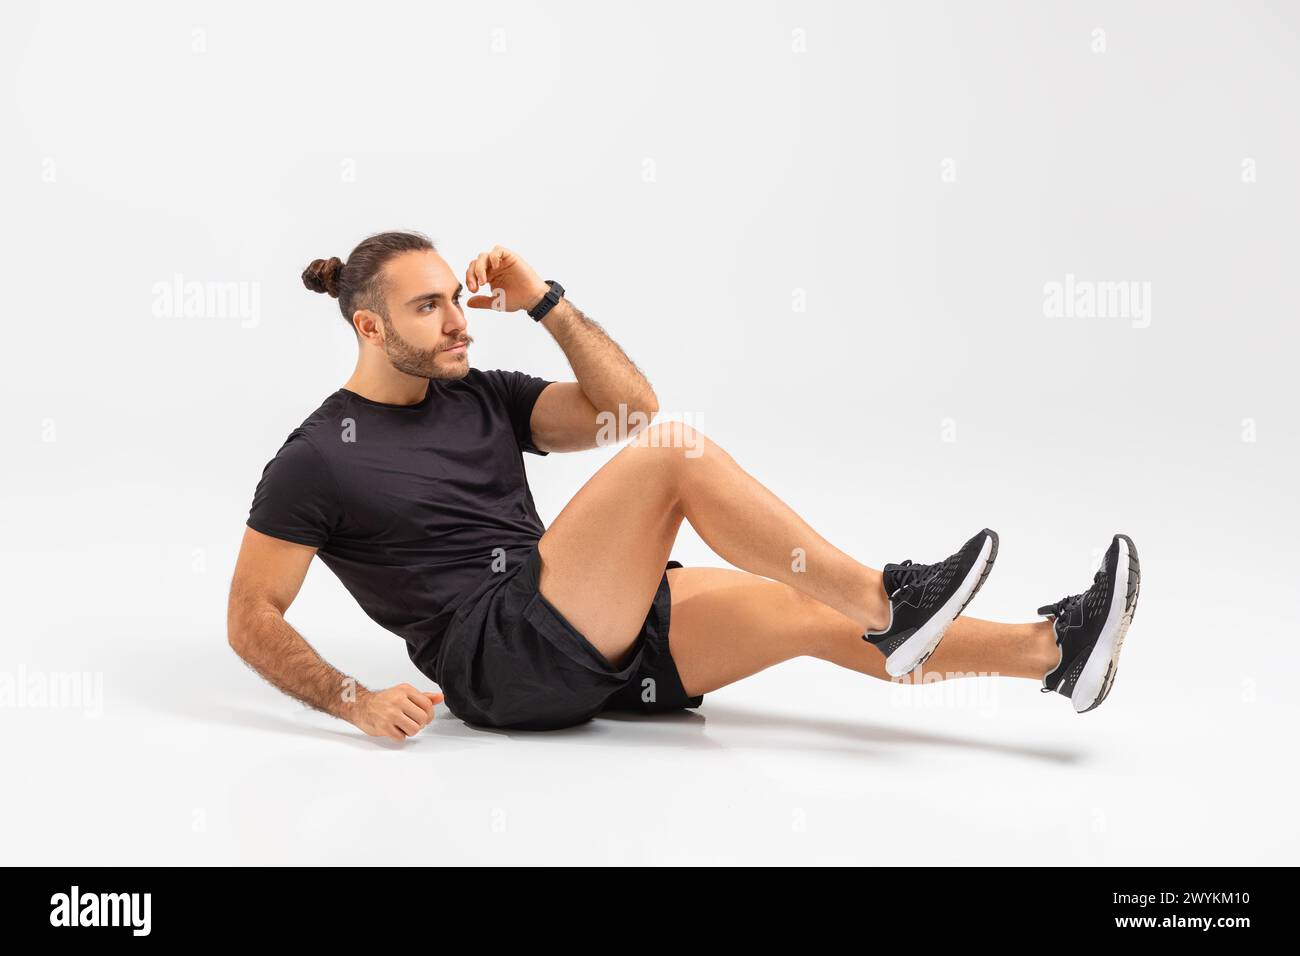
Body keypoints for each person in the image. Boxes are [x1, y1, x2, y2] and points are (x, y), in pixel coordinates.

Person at [227, 231, 1141, 740]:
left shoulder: (481, 398)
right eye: (430, 307)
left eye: (455, 299)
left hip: (575, 627)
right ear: (369, 329)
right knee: (675, 456)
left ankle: (1053, 652)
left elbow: (626, 407)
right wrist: (354, 700)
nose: (460, 321)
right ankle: (887, 599)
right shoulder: (318, 457)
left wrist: (544, 300)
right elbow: (252, 615)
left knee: (802, 610)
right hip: (498, 660)